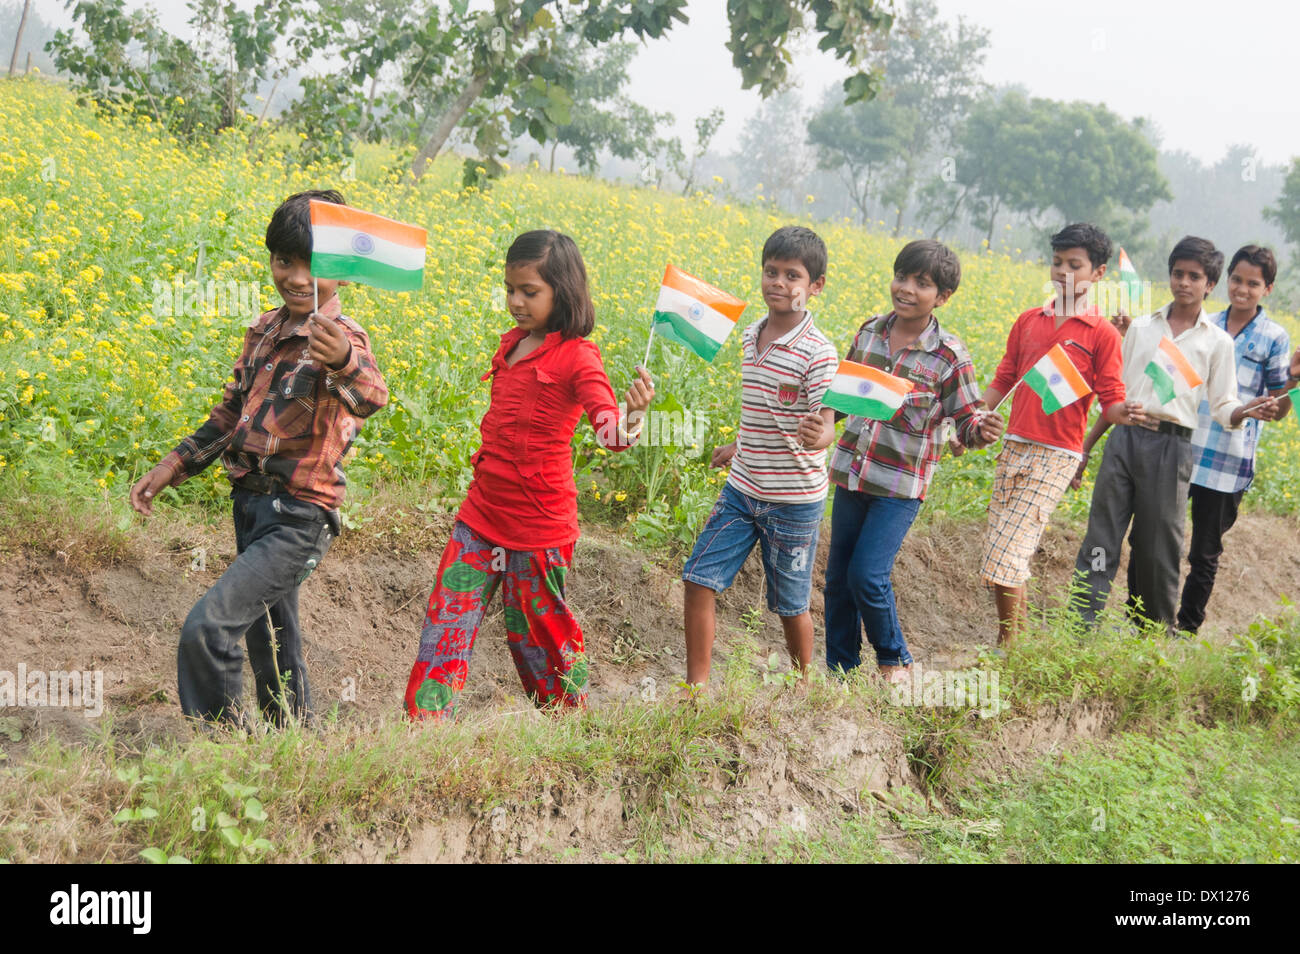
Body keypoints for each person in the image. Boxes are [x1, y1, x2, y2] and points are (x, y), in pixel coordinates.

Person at [129, 189, 390, 726]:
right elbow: (229, 418)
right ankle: (293, 741)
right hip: (249, 507)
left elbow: (370, 395)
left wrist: (339, 358)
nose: (295, 277)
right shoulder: (264, 332)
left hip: (298, 517)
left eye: (313, 264)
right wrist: (171, 467)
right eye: (284, 260)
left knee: (210, 627)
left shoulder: (342, 338)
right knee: (272, 642)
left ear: (342, 270)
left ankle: (222, 746)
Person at [404, 230, 654, 719]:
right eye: (509, 289)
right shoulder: (513, 344)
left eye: (529, 292)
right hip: (481, 516)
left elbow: (610, 433)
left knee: (538, 641)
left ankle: (572, 727)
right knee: (445, 624)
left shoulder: (579, 355)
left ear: (563, 290)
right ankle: (421, 730)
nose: (516, 302)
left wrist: (633, 416)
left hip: (538, 529)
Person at [1071, 236, 1277, 632]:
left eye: (1194, 276)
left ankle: (1152, 636)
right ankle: (1079, 624)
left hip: (1172, 447)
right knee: (1101, 537)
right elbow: (1117, 395)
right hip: (1125, 442)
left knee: (1157, 548)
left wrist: (1246, 411)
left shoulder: (1216, 342)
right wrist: (1086, 447)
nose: (1184, 282)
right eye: (1178, 273)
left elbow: (1222, 405)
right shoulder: (1142, 328)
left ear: (1209, 284)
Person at [825, 240, 1004, 684]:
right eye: (901, 277)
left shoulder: (948, 356)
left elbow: (966, 421)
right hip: (852, 472)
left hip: (900, 487)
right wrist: (821, 417)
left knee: (867, 574)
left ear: (942, 297)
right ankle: (840, 673)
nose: (906, 289)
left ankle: (894, 659)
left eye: (921, 284)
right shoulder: (869, 333)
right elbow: (843, 398)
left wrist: (980, 430)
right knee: (837, 579)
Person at [681, 226, 839, 689]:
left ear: (815, 287)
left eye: (793, 275)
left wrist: (821, 435)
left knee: (791, 604)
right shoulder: (751, 336)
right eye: (771, 271)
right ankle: (696, 689)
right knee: (698, 579)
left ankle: (804, 684)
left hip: (794, 501)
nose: (778, 283)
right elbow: (761, 409)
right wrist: (737, 446)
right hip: (743, 489)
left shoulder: (819, 353)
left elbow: (826, 422)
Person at [979, 224, 1133, 647]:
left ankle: (1007, 645)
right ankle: (1018, 645)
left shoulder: (1101, 334)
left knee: (1005, 553)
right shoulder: (1029, 320)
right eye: (1057, 262)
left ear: (1098, 273)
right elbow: (1005, 377)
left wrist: (1128, 413)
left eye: (1075, 265)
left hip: (1058, 453)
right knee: (1007, 548)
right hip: (1015, 444)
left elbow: (1112, 400)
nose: (1063, 271)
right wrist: (973, 416)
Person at [1175, 246, 1293, 633]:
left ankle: (1186, 629)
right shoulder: (1204, 322)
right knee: (1157, 539)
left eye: (1253, 283)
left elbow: (1278, 408)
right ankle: (1147, 621)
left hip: (1228, 461)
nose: (1242, 289)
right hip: (1184, 448)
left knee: (1204, 553)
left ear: (1268, 289)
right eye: (1237, 280)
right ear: (1226, 280)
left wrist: (1292, 381)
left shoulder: (1275, 338)